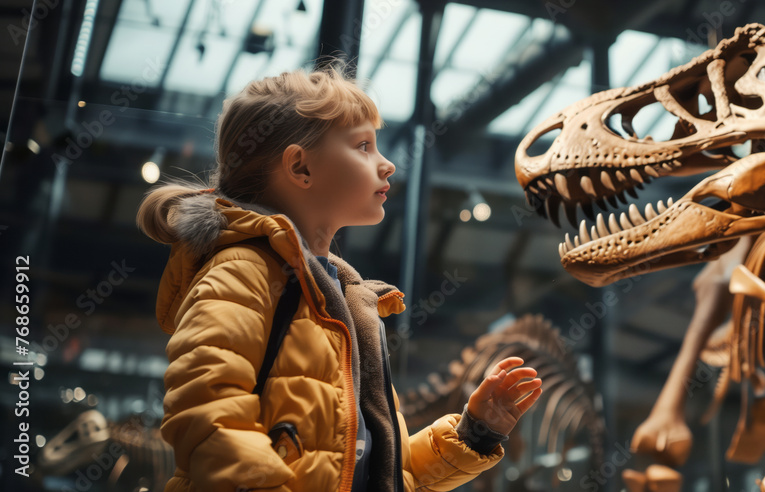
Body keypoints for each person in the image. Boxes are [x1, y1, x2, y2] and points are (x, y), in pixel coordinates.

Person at [136, 61, 543, 492]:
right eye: (363, 146)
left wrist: (474, 432)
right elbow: (206, 412)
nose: (386, 164)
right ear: (301, 168)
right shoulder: (243, 272)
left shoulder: (348, 303)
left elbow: (379, 473)